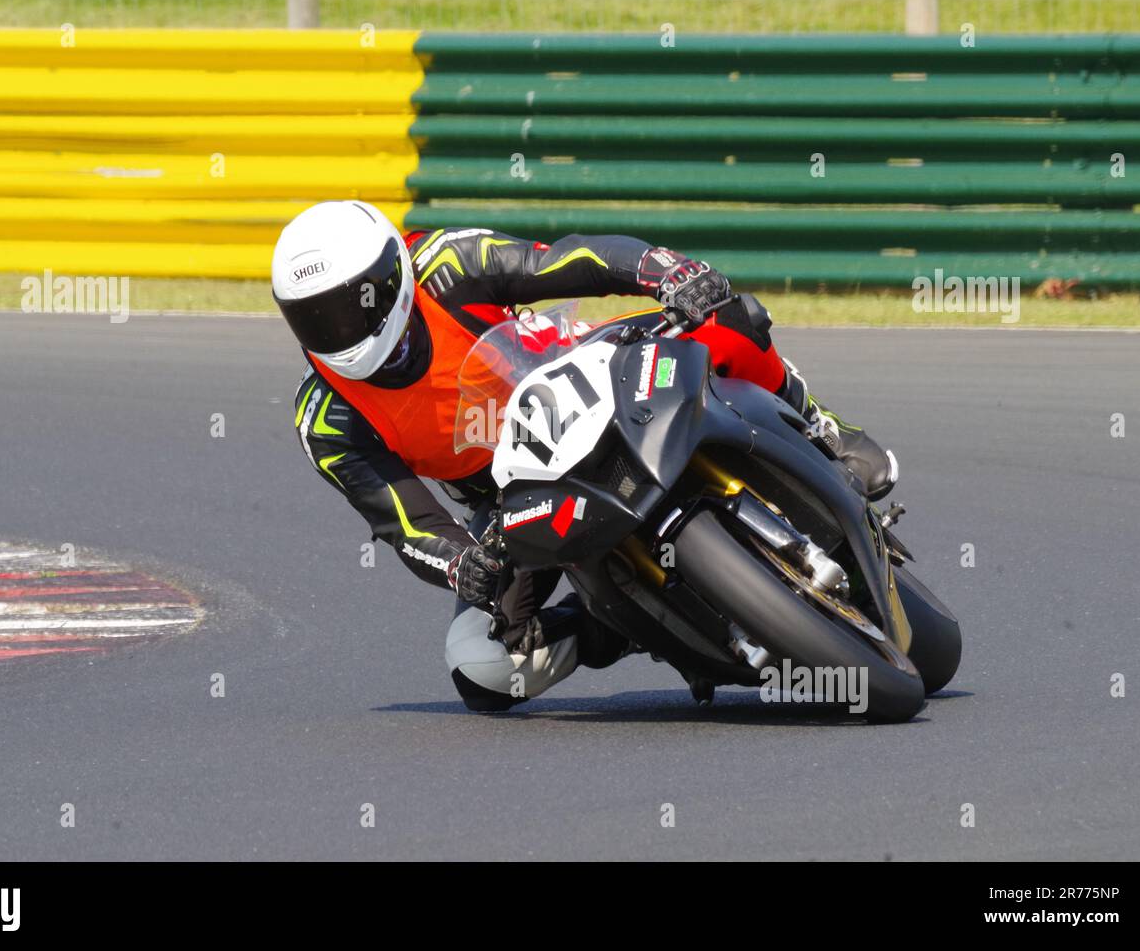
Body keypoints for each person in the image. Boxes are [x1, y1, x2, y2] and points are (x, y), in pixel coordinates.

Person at [273, 200, 898, 711]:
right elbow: (404, 521)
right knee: (482, 667)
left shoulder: (444, 262)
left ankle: (819, 424)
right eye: (316, 320)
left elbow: (571, 259)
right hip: (511, 502)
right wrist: (463, 564)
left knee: (724, 316)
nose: (341, 331)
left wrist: (664, 271)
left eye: (351, 306)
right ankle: (624, 623)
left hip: (585, 372)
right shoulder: (327, 418)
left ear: (391, 279)